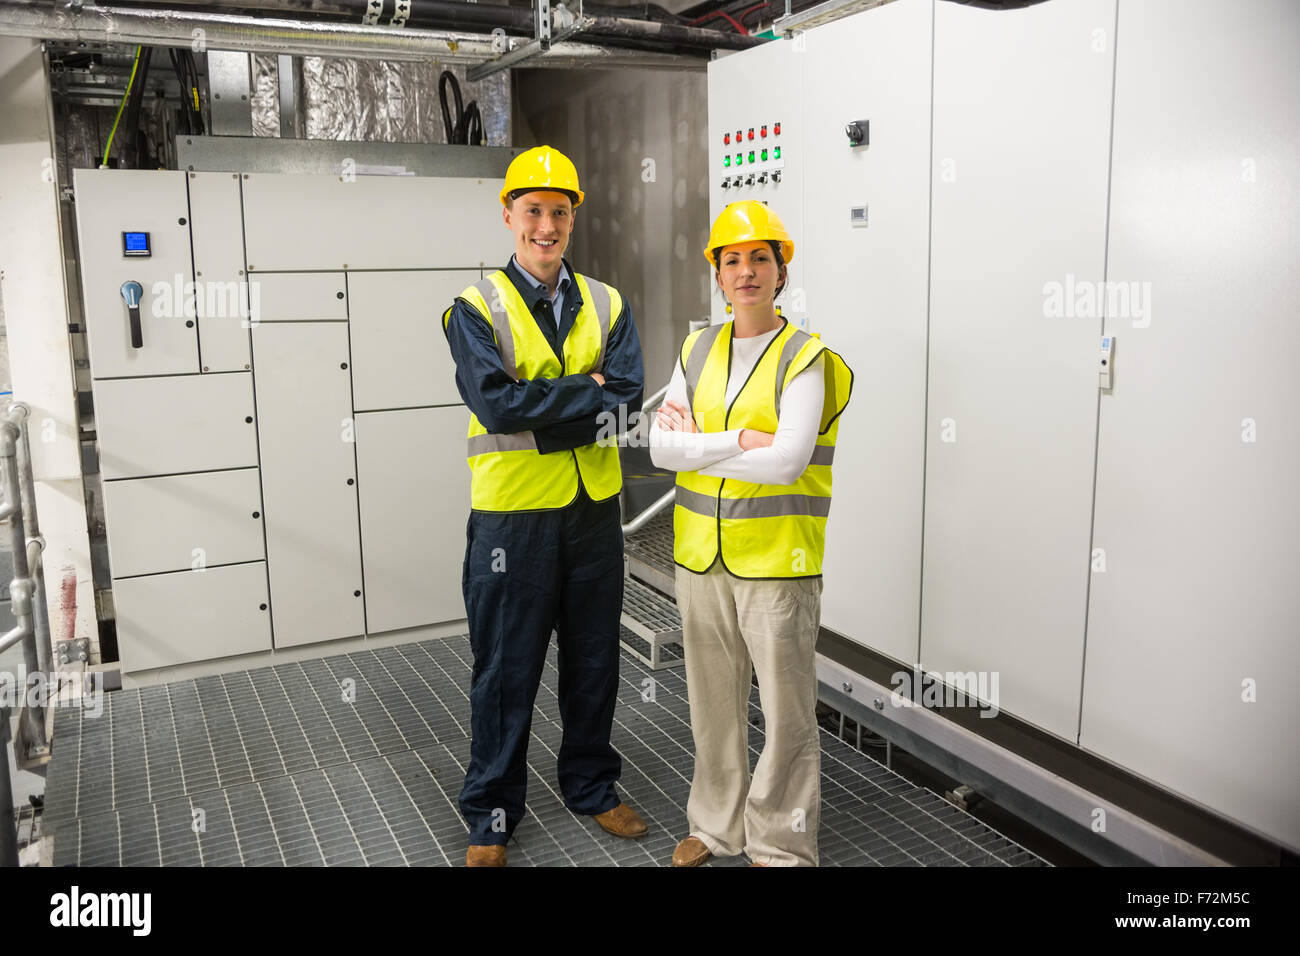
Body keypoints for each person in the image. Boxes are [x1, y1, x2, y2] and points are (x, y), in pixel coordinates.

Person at [442, 145, 647, 867]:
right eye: (533, 210)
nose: (546, 226)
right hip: (514, 518)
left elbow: (625, 405)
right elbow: (497, 406)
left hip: (593, 514)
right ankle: (492, 814)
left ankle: (592, 786)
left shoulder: (608, 303)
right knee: (506, 668)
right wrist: (587, 392)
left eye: (559, 211)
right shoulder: (474, 309)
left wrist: (556, 405)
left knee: (593, 659)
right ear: (509, 215)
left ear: (572, 218)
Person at [649, 200, 853, 867]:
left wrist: (699, 448)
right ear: (717, 273)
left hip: (777, 562)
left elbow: (787, 462)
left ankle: (781, 844)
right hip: (699, 558)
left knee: (787, 712)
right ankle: (715, 828)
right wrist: (740, 438)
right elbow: (659, 450)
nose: (746, 271)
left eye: (759, 258)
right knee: (712, 703)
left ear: (780, 270)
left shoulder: (806, 357)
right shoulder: (696, 349)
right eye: (732, 260)